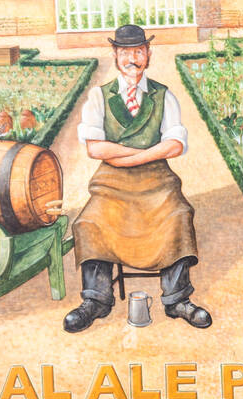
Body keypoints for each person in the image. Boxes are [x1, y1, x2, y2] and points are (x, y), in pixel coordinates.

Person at [64, 24, 210, 332]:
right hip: (111, 182)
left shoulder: (163, 95)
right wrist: (139, 153)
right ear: (115, 55)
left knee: (178, 215)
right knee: (89, 221)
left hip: (157, 179)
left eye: (140, 51)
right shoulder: (99, 97)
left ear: (149, 54)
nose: (134, 58)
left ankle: (177, 299)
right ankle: (96, 300)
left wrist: (133, 158)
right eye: (126, 52)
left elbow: (174, 144)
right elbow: (94, 147)